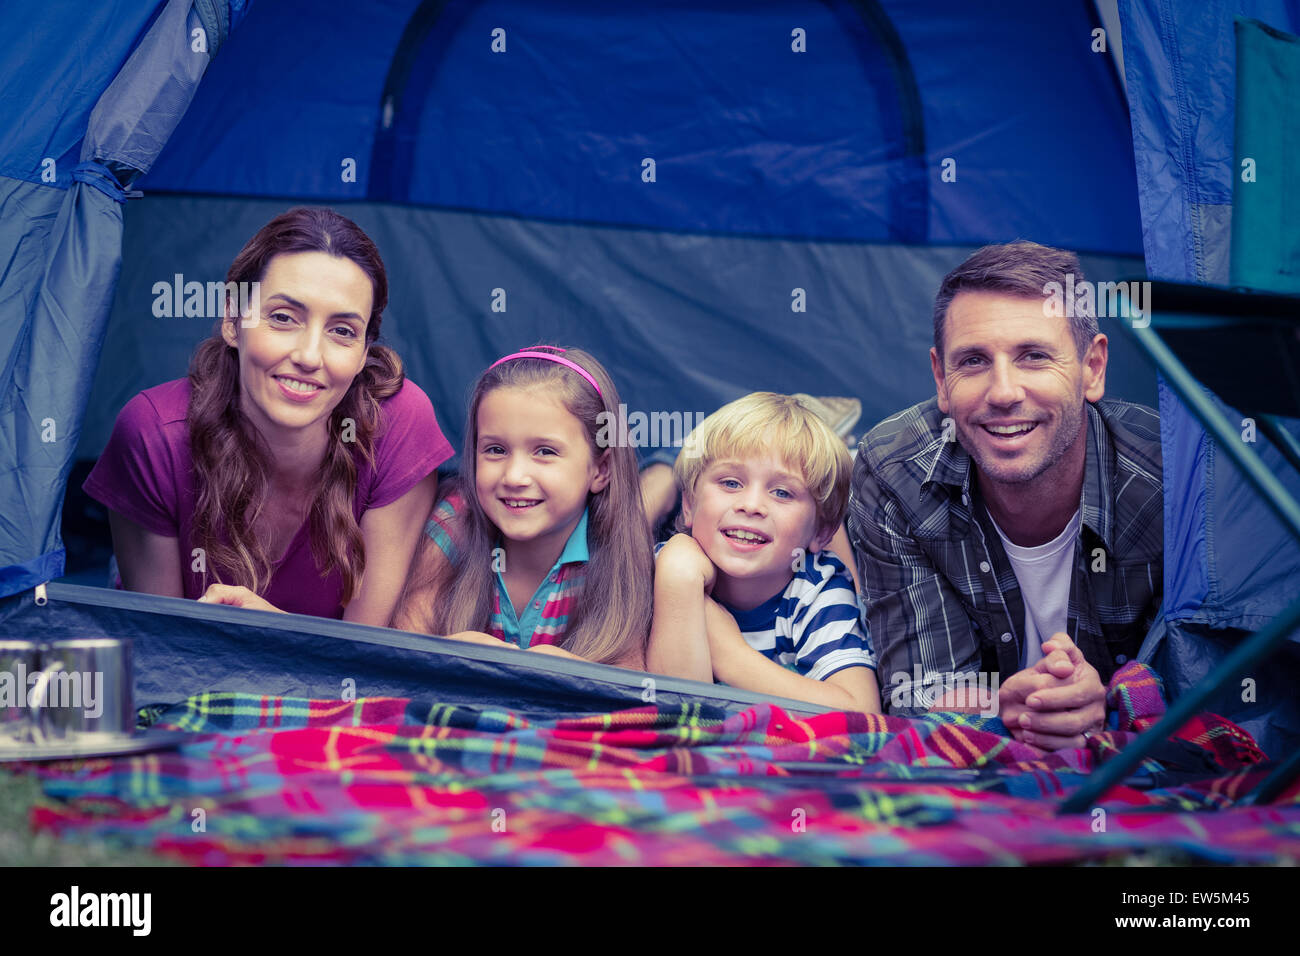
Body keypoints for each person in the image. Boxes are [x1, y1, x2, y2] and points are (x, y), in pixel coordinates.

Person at [847, 241, 1163, 748]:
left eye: (1034, 356)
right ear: (941, 379)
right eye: (973, 361)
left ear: (1093, 368)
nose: (1003, 392)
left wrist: (1111, 702)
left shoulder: (1171, 480)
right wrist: (1002, 709)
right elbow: (921, 689)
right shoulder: (895, 472)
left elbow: (1213, 685)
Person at [84, 207, 451, 623]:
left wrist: (272, 629)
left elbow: (365, 655)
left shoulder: (398, 424)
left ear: (365, 352)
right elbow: (165, 652)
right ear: (232, 321)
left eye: (342, 331)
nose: (309, 356)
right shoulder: (154, 436)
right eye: (282, 318)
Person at [392, 346, 653, 667]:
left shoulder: (620, 553)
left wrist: (562, 673)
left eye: (545, 451)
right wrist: (454, 653)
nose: (514, 476)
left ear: (600, 470)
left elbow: (630, 686)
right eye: (496, 449)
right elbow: (403, 656)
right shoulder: (455, 524)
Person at [647, 392, 879, 712]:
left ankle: (842, 444)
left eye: (782, 492)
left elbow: (863, 713)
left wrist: (730, 655)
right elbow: (676, 714)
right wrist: (678, 574)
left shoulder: (816, 589)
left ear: (822, 532)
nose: (752, 505)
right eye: (730, 483)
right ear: (689, 504)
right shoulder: (661, 569)